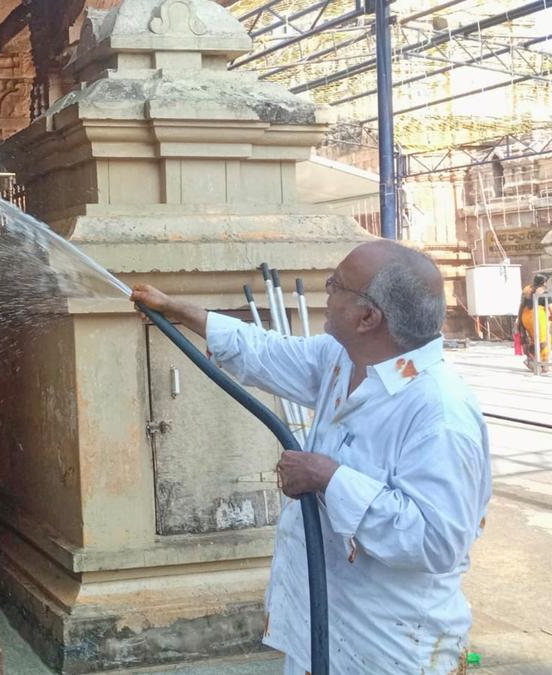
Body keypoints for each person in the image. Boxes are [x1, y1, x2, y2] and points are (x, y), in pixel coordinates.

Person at [131, 240, 490, 674]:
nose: (326, 291)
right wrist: (181, 310)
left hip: (393, 649)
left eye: (336, 285)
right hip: (325, 627)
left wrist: (329, 477)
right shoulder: (342, 359)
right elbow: (267, 351)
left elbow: (437, 542)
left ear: (368, 317)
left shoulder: (440, 411)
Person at [517, 272, 548, 373]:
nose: (546, 284)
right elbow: (549, 306)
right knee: (544, 340)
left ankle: (534, 361)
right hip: (537, 316)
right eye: (546, 282)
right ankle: (541, 363)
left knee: (532, 340)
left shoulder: (526, 289)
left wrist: (519, 320)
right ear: (543, 282)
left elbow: (521, 305)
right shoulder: (541, 291)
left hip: (525, 316)